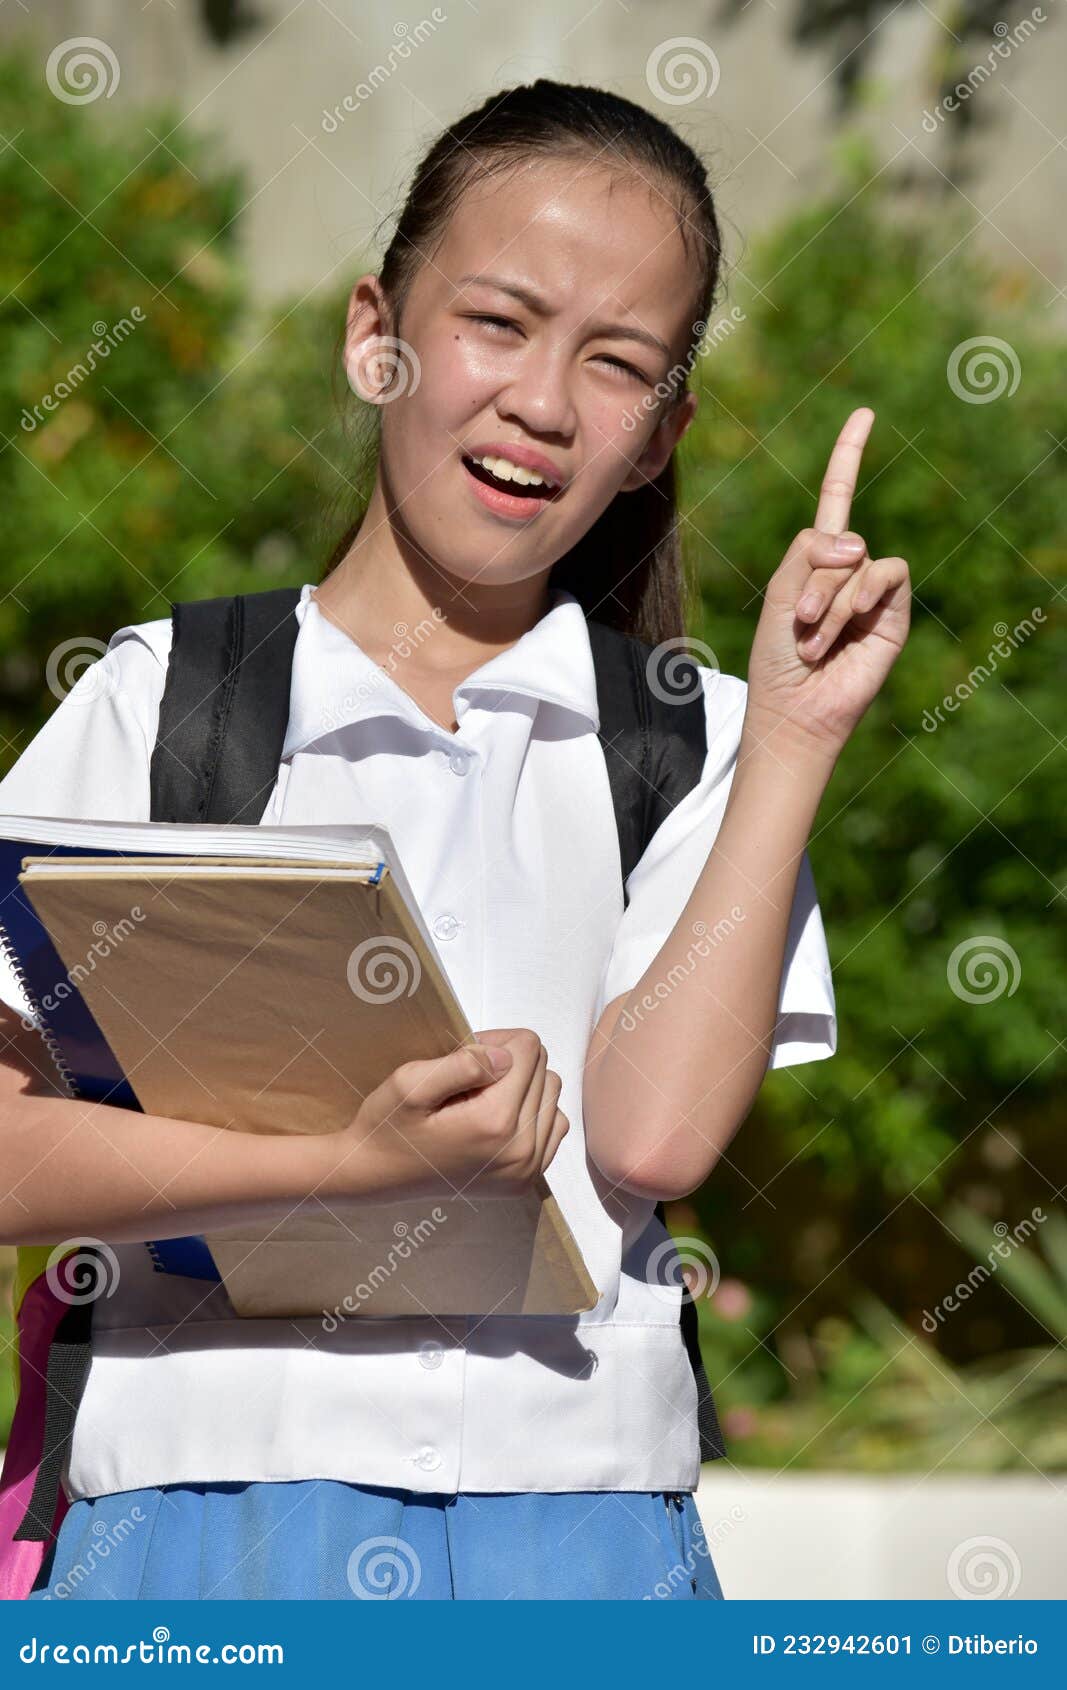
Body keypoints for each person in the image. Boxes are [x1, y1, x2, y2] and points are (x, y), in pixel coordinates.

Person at [0, 78, 909, 1600]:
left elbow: (653, 1140)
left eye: (617, 365)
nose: (545, 403)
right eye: (499, 321)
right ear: (378, 335)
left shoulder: (697, 740)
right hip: (203, 1525)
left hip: (583, 1532)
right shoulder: (164, 706)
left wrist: (799, 736)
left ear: (659, 435)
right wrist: (343, 1163)